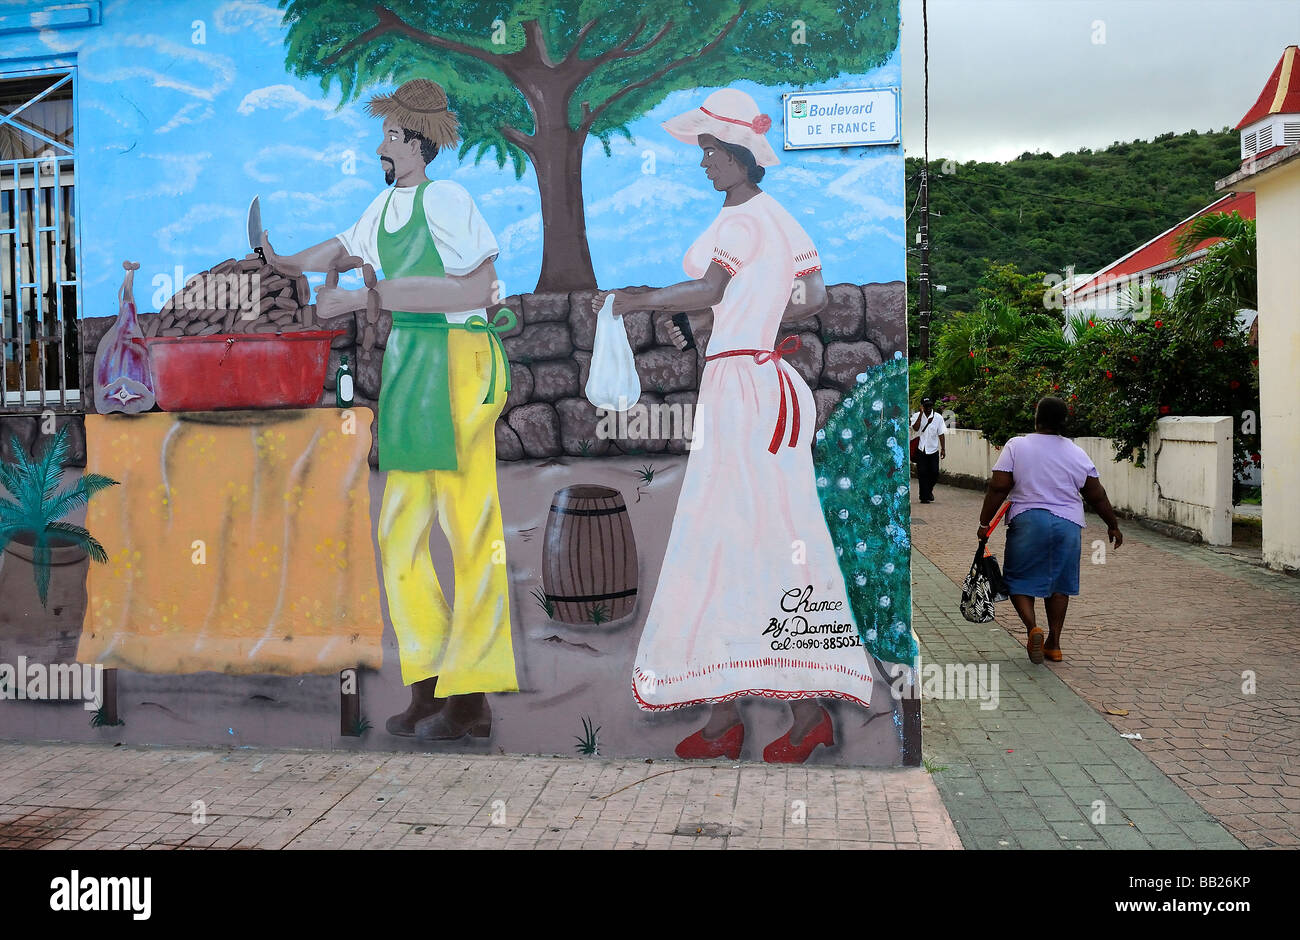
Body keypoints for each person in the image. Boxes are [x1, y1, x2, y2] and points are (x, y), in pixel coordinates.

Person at [593, 89, 879, 764]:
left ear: (744, 156)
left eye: (714, 152)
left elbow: (710, 291)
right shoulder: (775, 217)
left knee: (740, 533)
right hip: (760, 382)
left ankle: (790, 715)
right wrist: (761, 317)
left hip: (743, 390)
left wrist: (641, 301)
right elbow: (811, 297)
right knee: (749, 534)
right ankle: (735, 715)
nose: (705, 163)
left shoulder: (744, 218)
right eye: (705, 152)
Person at [260, 79, 518, 741]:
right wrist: (282, 259)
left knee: (470, 529)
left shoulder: (450, 200)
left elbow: (475, 287)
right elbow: (339, 253)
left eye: (388, 137)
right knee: (400, 534)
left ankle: (475, 696)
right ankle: (430, 680)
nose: (378, 146)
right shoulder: (383, 209)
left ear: (412, 143)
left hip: (459, 361)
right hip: (412, 369)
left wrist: (361, 302)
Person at [976, 397, 1122, 664]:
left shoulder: (1017, 445)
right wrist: (1112, 525)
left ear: (1036, 417)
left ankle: (1033, 628)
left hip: (1028, 521)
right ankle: (1054, 643)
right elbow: (1096, 494)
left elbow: (999, 487)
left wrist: (985, 523)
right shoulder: (1076, 452)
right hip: (1068, 524)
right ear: (1063, 422)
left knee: (1019, 580)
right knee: (1060, 584)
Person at [911, 396, 946, 502]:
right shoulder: (917, 416)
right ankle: (924, 497)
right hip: (921, 449)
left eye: (930, 405)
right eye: (926, 406)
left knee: (934, 473)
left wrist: (943, 448)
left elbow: (941, 433)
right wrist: (921, 414)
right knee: (922, 473)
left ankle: (928, 491)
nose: (929, 408)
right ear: (922, 406)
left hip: (933, 449)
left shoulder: (938, 417)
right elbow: (915, 428)